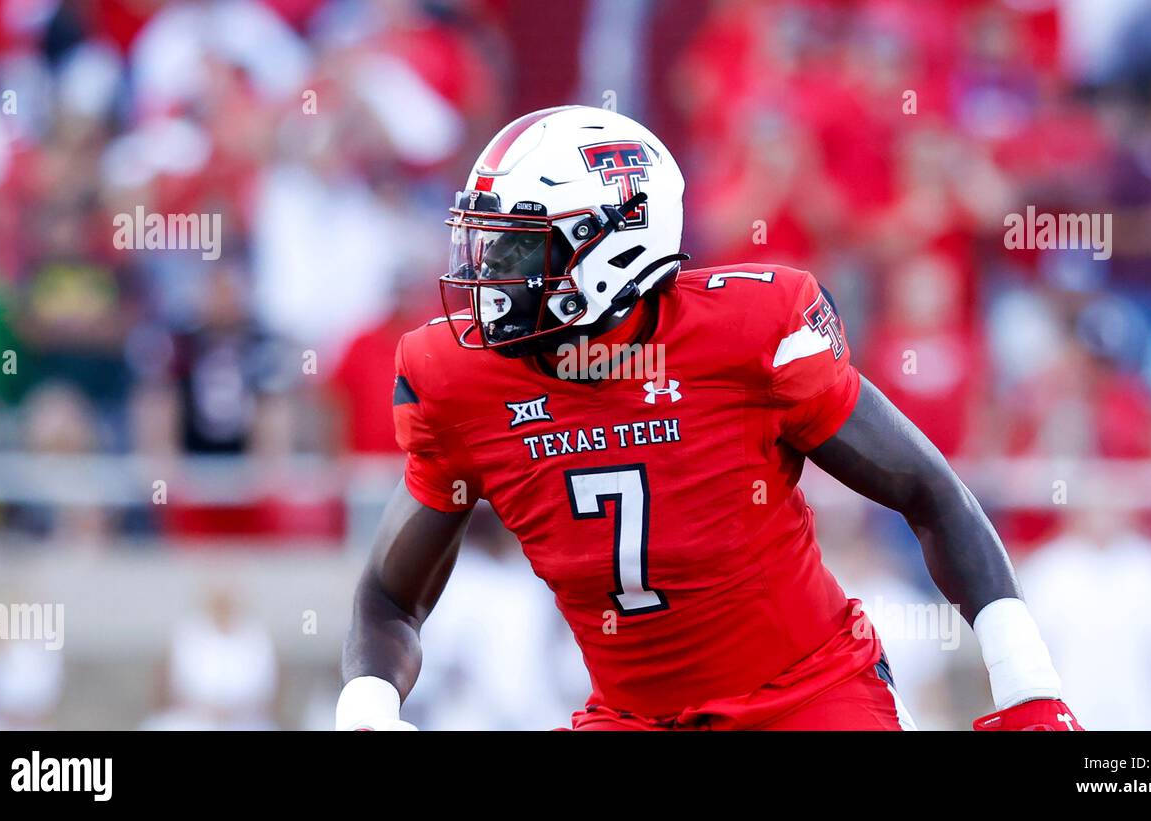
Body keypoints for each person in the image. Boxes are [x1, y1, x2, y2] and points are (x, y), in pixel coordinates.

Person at [338, 106, 1080, 731]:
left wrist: (1026, 681)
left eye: (517, 247)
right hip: (631, 716)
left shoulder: (748, 332)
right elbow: (388, 593)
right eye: (487, 242)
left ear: (614, 245)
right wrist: (367, 711)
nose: (490, 275)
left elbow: (929, 490)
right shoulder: (460, 379)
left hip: (808, 700)